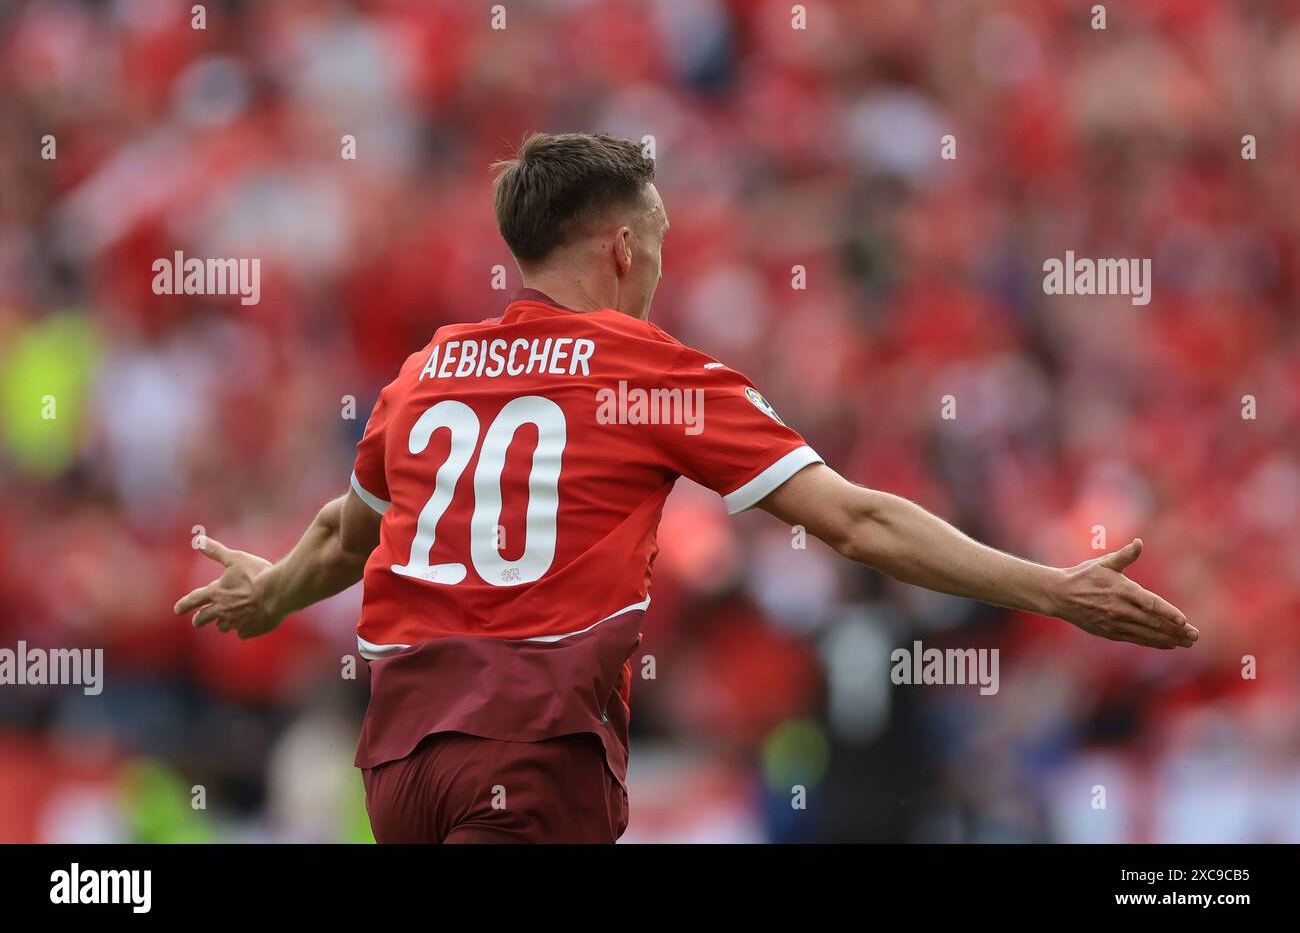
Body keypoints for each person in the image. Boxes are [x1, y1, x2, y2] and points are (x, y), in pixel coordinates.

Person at [174, 132, 1199, 843]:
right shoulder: (649, 374)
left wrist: (267, 594)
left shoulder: (424, 370)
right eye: (658, 239)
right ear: (623, 245)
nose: (660, 264)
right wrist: (1052, 588)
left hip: (400, 763)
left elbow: (340, 536)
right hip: (531, 743)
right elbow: (856, 517)